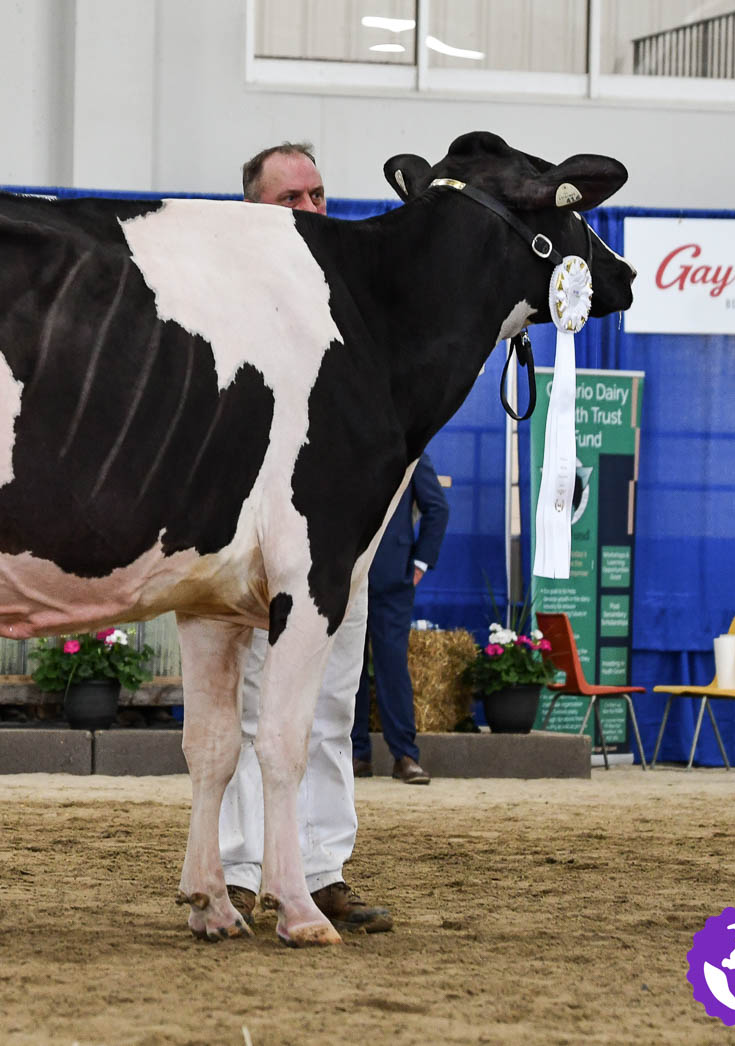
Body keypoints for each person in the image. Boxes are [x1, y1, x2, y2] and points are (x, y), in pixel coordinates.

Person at [217, 142, 392, 935]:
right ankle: (239, 869)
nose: (311, 211)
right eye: (291, 199)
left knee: (330, 702)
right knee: (250, 703)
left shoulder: (351, 299)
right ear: (253, 208)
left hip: (338, 538)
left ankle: (321, 869)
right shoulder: (223, 298)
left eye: (318, 196)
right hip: (244, 541)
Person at [353, 453, 449, 784]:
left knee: (391, 666)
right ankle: (354, 754)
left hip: (393, 582)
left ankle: (405, 756)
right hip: (346, 579)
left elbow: (438, 507)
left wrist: (420, 563)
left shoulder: (408, 449)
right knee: (347, 669)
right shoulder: (344, 441)